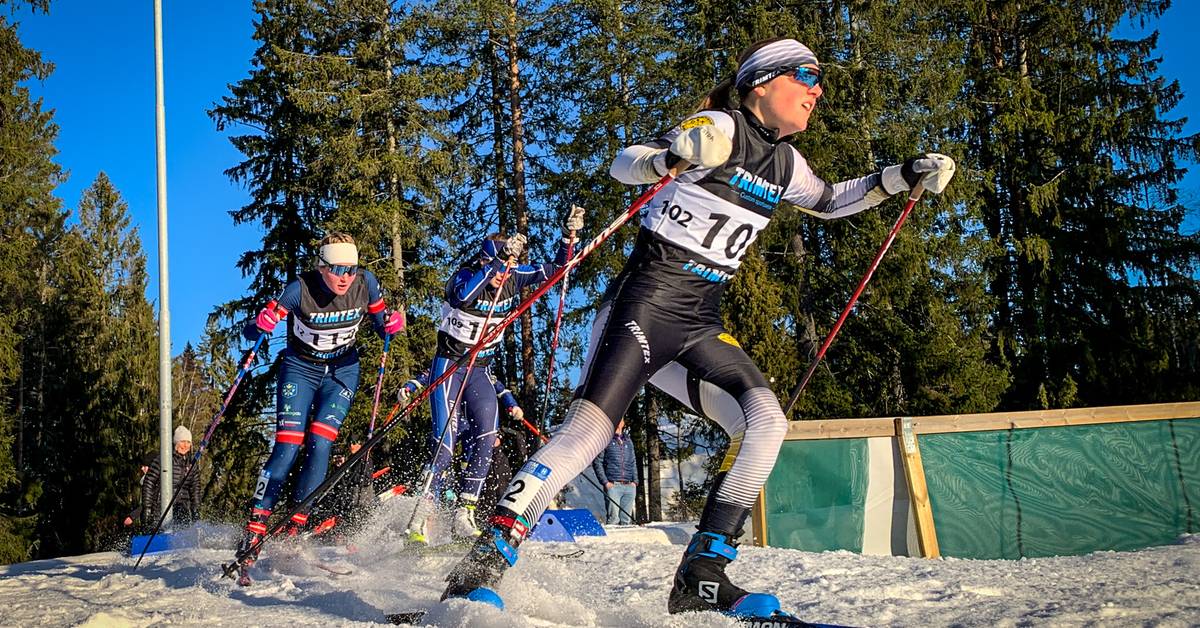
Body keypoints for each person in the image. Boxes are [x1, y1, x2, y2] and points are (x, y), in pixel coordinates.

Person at [438, 37, 956, 620]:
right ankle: (483, 559)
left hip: (698, 322)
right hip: (642, 305)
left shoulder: (785, 162)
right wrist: (670, 157)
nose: (817, 89)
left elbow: (831, 201)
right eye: (805, 76)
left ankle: (702, 575)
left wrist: (901, 174)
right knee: (587, 433)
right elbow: (624, 163)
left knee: (766, 421)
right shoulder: (721, 126)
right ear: (763, 82)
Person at [234, 233, 405, 577]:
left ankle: (296, 523)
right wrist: (260, 324)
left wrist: (392, 325)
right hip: (301, 370)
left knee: (322, 441)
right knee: (287, 447)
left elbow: (381, 323)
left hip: (342, 371)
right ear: (322, 266)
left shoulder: (365, 284)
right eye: (338, 269)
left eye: (352, 269)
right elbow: (253, 333)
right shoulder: (299, 290)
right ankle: (256, 523)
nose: (345, 277)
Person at [400, 294, 547, 544]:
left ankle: (464, 517)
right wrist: (411, 386)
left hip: (471, 427)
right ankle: (420, 518)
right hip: (453, 420)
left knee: (481, 460)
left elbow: (498, 387)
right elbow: (427, 376)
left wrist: (513, 406)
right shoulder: (449, 358)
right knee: (443, 458)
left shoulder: (483, 368)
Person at [141, 426, 203, 527]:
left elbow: (195, 488)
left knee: (182, 537)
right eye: (182, 441)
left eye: (188, 442)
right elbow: (149, 483)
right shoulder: (163, 459)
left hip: (182, 510)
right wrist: (147, 508)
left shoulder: (192, 463)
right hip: (160, 509)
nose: (185, 445)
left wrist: (195, 509)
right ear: (176, 443)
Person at [590, 420, 638, 525]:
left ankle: (625, 541)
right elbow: (597, 462)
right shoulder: (605, 440)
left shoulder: (628, 441)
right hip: (613, 486)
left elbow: (633, 461)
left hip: (629, 486)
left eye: (620, 419)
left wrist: (635, 482)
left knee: (626, 520)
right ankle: (613, 541)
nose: (618, 422)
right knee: (613, 520)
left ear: (623, 423)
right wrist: (606, 482)